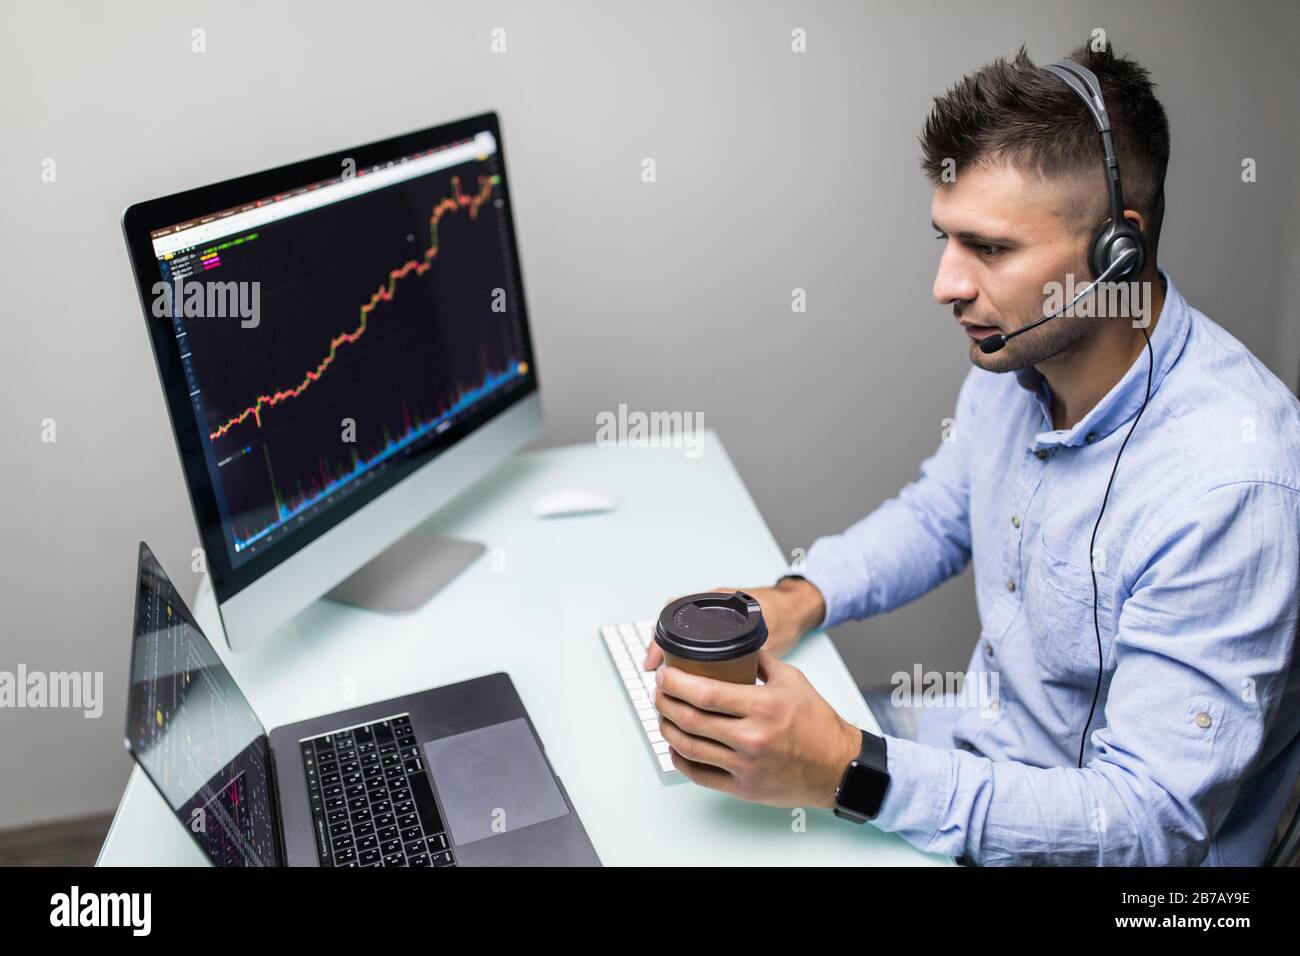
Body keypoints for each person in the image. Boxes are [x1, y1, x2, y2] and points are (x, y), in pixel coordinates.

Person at [643, 41, 1300, 866]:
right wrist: (798, 597)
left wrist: (849, 769)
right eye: (946, 238)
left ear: (1116, 254)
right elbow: (940, 512)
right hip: (970, 752)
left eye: (989, 249)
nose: (946, 284)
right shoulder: (1018, 352)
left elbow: (1150, 822)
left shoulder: (1233, 483)